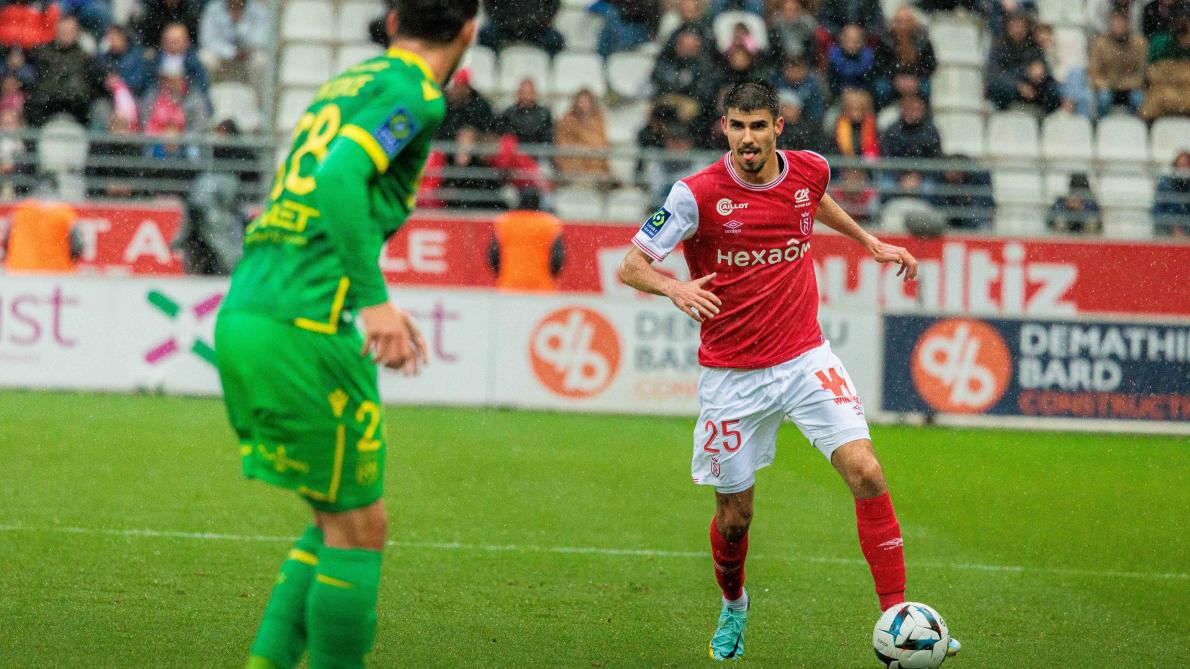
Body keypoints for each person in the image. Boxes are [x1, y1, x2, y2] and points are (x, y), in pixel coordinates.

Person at [617, 79, 960, 662]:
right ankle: (733, 605)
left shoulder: (811, 170)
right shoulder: (694, 195)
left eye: (758, 126)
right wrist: (672, 286)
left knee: (868, 472)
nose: (746, 138)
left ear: (779, 127)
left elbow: (810, 200)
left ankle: (899, 619)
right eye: (736, 126)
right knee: (733, 518)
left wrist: (869, 241)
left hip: (805, 358)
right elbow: (631, 265)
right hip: (732, 376)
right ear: (724, 128)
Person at [212, 3, 478, 669]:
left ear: (392, 23)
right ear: (469, 32)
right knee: (360, 529)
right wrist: (374, 302)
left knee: (338, 519)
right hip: (306, 325)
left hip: (251, 307)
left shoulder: (345, 84)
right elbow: (337, 178)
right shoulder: (417, 94)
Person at [488, 186, 565, 290]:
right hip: (542, 288)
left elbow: (493, 257)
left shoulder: (505, 222)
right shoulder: (550, 223)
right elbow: (557, 259)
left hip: (509, 287)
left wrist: (503, 275)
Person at [3, 174, 81, 273]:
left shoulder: (20, 210)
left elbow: (6, 242)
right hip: (57, 274)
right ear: (56, 189)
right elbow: (77, 247)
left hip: (20, 273)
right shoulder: (65, 213)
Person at [1089, 11, 1148, 116]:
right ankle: (1100, 125)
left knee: (1139, 98)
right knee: (1103, 98)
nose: (1117, 28)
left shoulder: (1139, 43)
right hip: (1107, 87)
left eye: (1121, 25)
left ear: (1128, 25)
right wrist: (1107, 84)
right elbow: (1094, 73)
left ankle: (1139, 126)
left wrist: (1123, 84)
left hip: (1131, 87)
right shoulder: (1100, 44)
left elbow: (1142, 74)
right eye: (1114, 25)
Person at [197, 0, 269, 84]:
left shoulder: (257, 9)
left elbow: (262, 38)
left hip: (248, 55)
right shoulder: (213, 8)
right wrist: (232, 52)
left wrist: (240, 25)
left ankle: (260, 96)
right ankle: (208, 93)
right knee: (205, 57)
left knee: (262, 60)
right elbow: (207, 40)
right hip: (223, 57)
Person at [554, 88, 611, 186]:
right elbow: (563, 147)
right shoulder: (566, 121)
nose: (582, 105)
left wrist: (580, 140)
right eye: (580, 101)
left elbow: (600, 145)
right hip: (573, 170)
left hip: (595, 170)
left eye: (585, 101)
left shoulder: (598, 121)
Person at [497, 78, 553, 145]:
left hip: (537, 152)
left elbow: (547, 140)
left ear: (535, 94)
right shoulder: (509, 113)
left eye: (529, 93)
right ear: (518, 93)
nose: (527, 97)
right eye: (524, 92)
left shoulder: (544, 114)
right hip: (516, 153)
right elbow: (507, 138)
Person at [826, 24, 876, 96]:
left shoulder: (869, 57)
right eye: (848, 40)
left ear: (862, 42)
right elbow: (832, 83)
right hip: (839, 96)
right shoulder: (834, 56)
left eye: (855, 41)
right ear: (841, 40)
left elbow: (870, 82)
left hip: (863, 96)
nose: (851, 45)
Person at [1153, 150, 1190, 235]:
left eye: (1187, 165)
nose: (1184, 168)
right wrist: (1171, 227)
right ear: (1175, 166)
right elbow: (1157, 211)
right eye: (1181, 165)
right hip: (1168, 234)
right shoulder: (1164, 184)